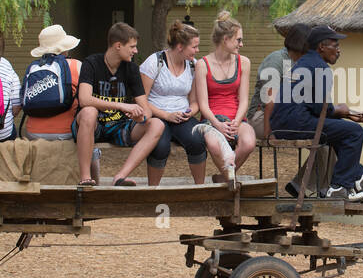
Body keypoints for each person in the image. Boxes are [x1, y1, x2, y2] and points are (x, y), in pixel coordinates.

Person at [269, 24, 363, 201]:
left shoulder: (306, 62)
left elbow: (317, 108)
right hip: (295, 123)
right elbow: (321, 108)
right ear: (321, 47)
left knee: (342, 131)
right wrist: (340, 110)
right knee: (355, 132)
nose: (339, 51)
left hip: (286, 123)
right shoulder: (320, 68)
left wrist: (346, 114)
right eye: (335, 45)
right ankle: (339, 187)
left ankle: (357, 177)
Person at [246, 23, 332, 197]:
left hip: (288, 116)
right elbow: (270, 99)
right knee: (324, 137)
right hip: (262, 117)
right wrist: (270, 132)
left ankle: (302, 186)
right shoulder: (277, 60)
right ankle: (316, 188)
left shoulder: (304, 63)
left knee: (328, 138)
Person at [74, 22, 165, 186]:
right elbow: (84, 99)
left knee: (157, 124)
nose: (135, 51)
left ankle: (120, 177)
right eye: (132, 47)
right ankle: (86, 178)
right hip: (92, 126)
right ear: (118, 46)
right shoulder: (91, 63)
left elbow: (146, 109)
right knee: (89, 112)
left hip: (118, 126)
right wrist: (123, 106)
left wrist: (140, 117)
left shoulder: (131, 69)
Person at [142, 20, 208, 186]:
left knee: (197, 140)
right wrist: (166, 115)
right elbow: (141, 99)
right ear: (180, 47)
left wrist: (189, 112)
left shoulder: (193, 65)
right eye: (194, 47)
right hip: (158, 115)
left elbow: (194, 102)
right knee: (161, 146)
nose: (197, 50)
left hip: (181, 115)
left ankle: (200, 188)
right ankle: (153, 190)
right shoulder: (154, 62)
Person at [192, 11, 256, 182]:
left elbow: (243, 99)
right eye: (239, 40)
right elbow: (203, 104)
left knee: (249, 142)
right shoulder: (202, 65)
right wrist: (217, 124)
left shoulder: (244, 62)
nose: (241, 44)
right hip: (211, 119)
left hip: (236, 117)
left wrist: (237, 121)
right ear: (225, 39)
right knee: (213, 144)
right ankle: (230, 180)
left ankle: (224, 177)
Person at [21, 24, 82, 141]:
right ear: (64, 47)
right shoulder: (76, 65)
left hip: (33, 132)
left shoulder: (34, 68)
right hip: (66, 132)